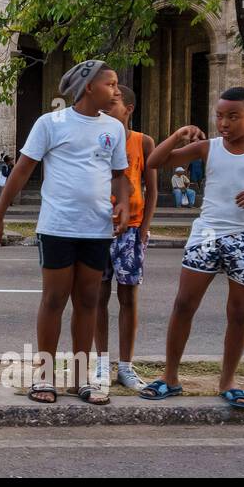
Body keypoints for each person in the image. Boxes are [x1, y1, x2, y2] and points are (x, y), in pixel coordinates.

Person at [0, 60, 129, 406]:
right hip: (58, 227)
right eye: (110, 84)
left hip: (97, 229)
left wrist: (122, 203)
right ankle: (44, 377)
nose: (116, 90)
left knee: (88, 301)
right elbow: (21, 171)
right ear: (89, 87)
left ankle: (80, 379)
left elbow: (120, 174)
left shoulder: (114, 128)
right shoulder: (51, 123)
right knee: (54, 299)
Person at [139, 87, 244, 410]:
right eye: (220, 116)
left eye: (233, 117)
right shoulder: (208, 147)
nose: (224, 123)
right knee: (183, 304)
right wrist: (179, 134)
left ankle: (228, 381)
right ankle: (170, 377)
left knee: (238, 312)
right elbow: (154, 161)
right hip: (207, 232)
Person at [93, 85, 156, 390]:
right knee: (98, 297)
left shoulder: (142, 142)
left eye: (113, 104)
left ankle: (126, 366)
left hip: (131, 229)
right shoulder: (98, 140)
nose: (105, 108)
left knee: (128, 297)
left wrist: (143, 229)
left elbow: (152, 188)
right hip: (98, 227)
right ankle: (101, 364)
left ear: (129, 109)